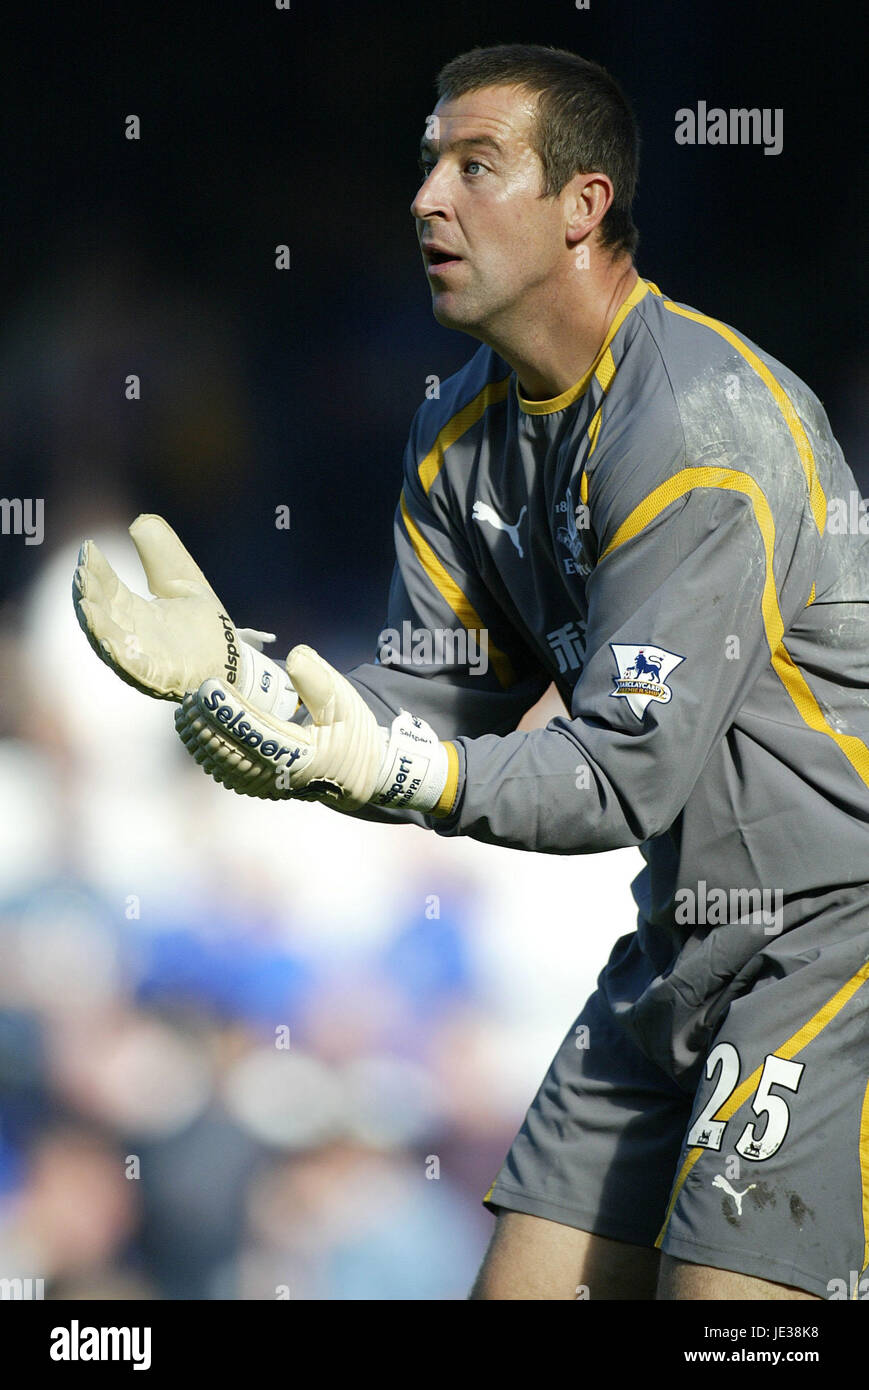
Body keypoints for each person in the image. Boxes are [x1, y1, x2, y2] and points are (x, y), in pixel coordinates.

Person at [73, 44, 869, 1301]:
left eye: (473, 165)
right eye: (426, 161)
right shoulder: (455, 430)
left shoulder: (698, 432)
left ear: (580, 207)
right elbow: (430, 700)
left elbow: (614, 779)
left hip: (834, 935)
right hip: (677, 939)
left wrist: (384, 763)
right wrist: (252, 688)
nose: (424, 195)